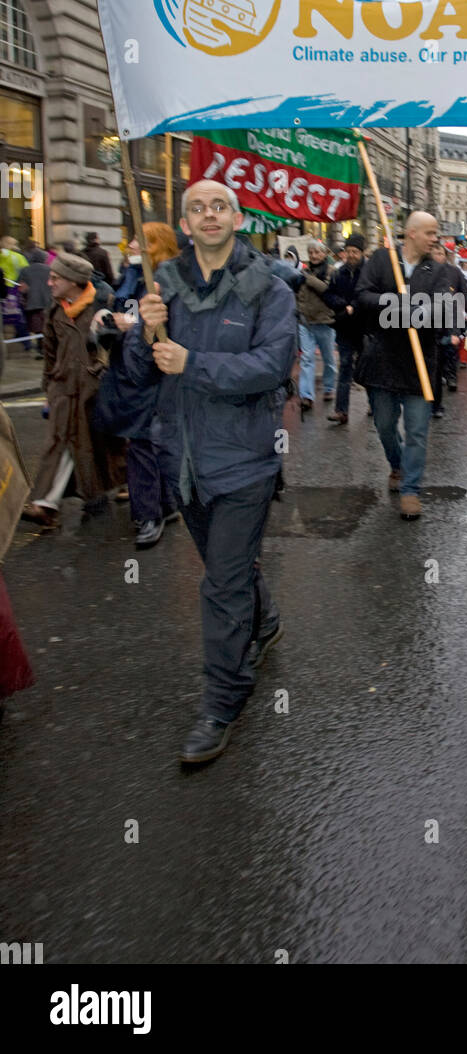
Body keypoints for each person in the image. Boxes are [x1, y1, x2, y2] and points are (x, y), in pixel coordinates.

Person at [123, 180, 297, 764]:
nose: (209, 214)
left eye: (219, 205)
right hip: (181, 459)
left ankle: (223, 700)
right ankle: (265, 618)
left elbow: (270, 366)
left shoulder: (269, 288)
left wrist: (193, 363)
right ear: (186, 222)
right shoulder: (161, 284)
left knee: (220, 585)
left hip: (244, 460)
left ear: (237, 216)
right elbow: (137, 373)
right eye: (197, 207)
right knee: (229, 567)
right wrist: (144, 333)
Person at [91, 223, 181, 549]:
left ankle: (148, 515)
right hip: (125, 369)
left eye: (138, 240)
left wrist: (137, 327)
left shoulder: (163, 281)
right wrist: (117, 323)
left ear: (155, 245)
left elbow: (164, 328)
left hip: (150, 373)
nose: (129, 244)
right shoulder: (131, 277)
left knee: (141, 444)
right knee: (144, 441)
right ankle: (166, 506)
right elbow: (125, 312)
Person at [20, 252, 126, 528]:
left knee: (97, 445)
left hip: (94, 391)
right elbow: (50, 353)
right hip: (63, 389)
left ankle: (117, 487)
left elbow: (122, 348)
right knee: (59, 442)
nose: (50, 282)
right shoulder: (55, 310)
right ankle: (45, 504)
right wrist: (48, 389)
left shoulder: (104, 305)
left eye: (56, 278)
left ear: (74, 282)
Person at [356, 212, 450, 521]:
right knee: (384, 425)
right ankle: (397, 465)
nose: (435, 238)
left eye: (436, 233)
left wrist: (420, 311)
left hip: (420, 364)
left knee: (418, 432)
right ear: (411, 233)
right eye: (430, 232)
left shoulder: (438, 271)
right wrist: (395, 303)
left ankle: (410, 490)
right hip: (383, 361)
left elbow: (444, 312)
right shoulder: (382, 260)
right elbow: (362, 297)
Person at [323, 232, 366, 426]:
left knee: (367, 369)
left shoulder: (369, 273)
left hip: (365, 329)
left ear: (362, 252)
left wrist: (355, 306)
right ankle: (341, 411)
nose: (351, 255)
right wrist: (343, 305)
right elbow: (328, 295)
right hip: (345, 328)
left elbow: (371, 295)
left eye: (355, 251)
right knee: (345, 367)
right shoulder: (338, 273)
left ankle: (375, 405)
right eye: (348, 251)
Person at [296, 240, 336, 412]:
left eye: (317, 252)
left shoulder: (331, 271)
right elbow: (300, 293)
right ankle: (306, 396)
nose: (313, 255)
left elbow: (327, 289)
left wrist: (308, 279)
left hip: (325, 322)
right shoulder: (303, 272)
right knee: (306, 359)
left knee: (328, 360)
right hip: (305, 322)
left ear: (324, 254)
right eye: (311, 252)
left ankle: (328, 388)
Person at [429, 241, 467, 416]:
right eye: (434, 253)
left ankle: (451, 376)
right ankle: (435, 403)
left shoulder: (454, 272)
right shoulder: (426, 272)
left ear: (445, 256)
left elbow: (462, 295)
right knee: (435, 364)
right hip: (430, 324)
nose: (437, 257)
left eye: (440, 253)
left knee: (450, 353)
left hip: (450, 320)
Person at [16, 247, 52, 358]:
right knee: (48, 327)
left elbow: (21, 287)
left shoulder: (25, 270)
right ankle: (48, 349)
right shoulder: (50, 270)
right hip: (48, 302)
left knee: (38, 329)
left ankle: (40, 348)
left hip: (32, 302)